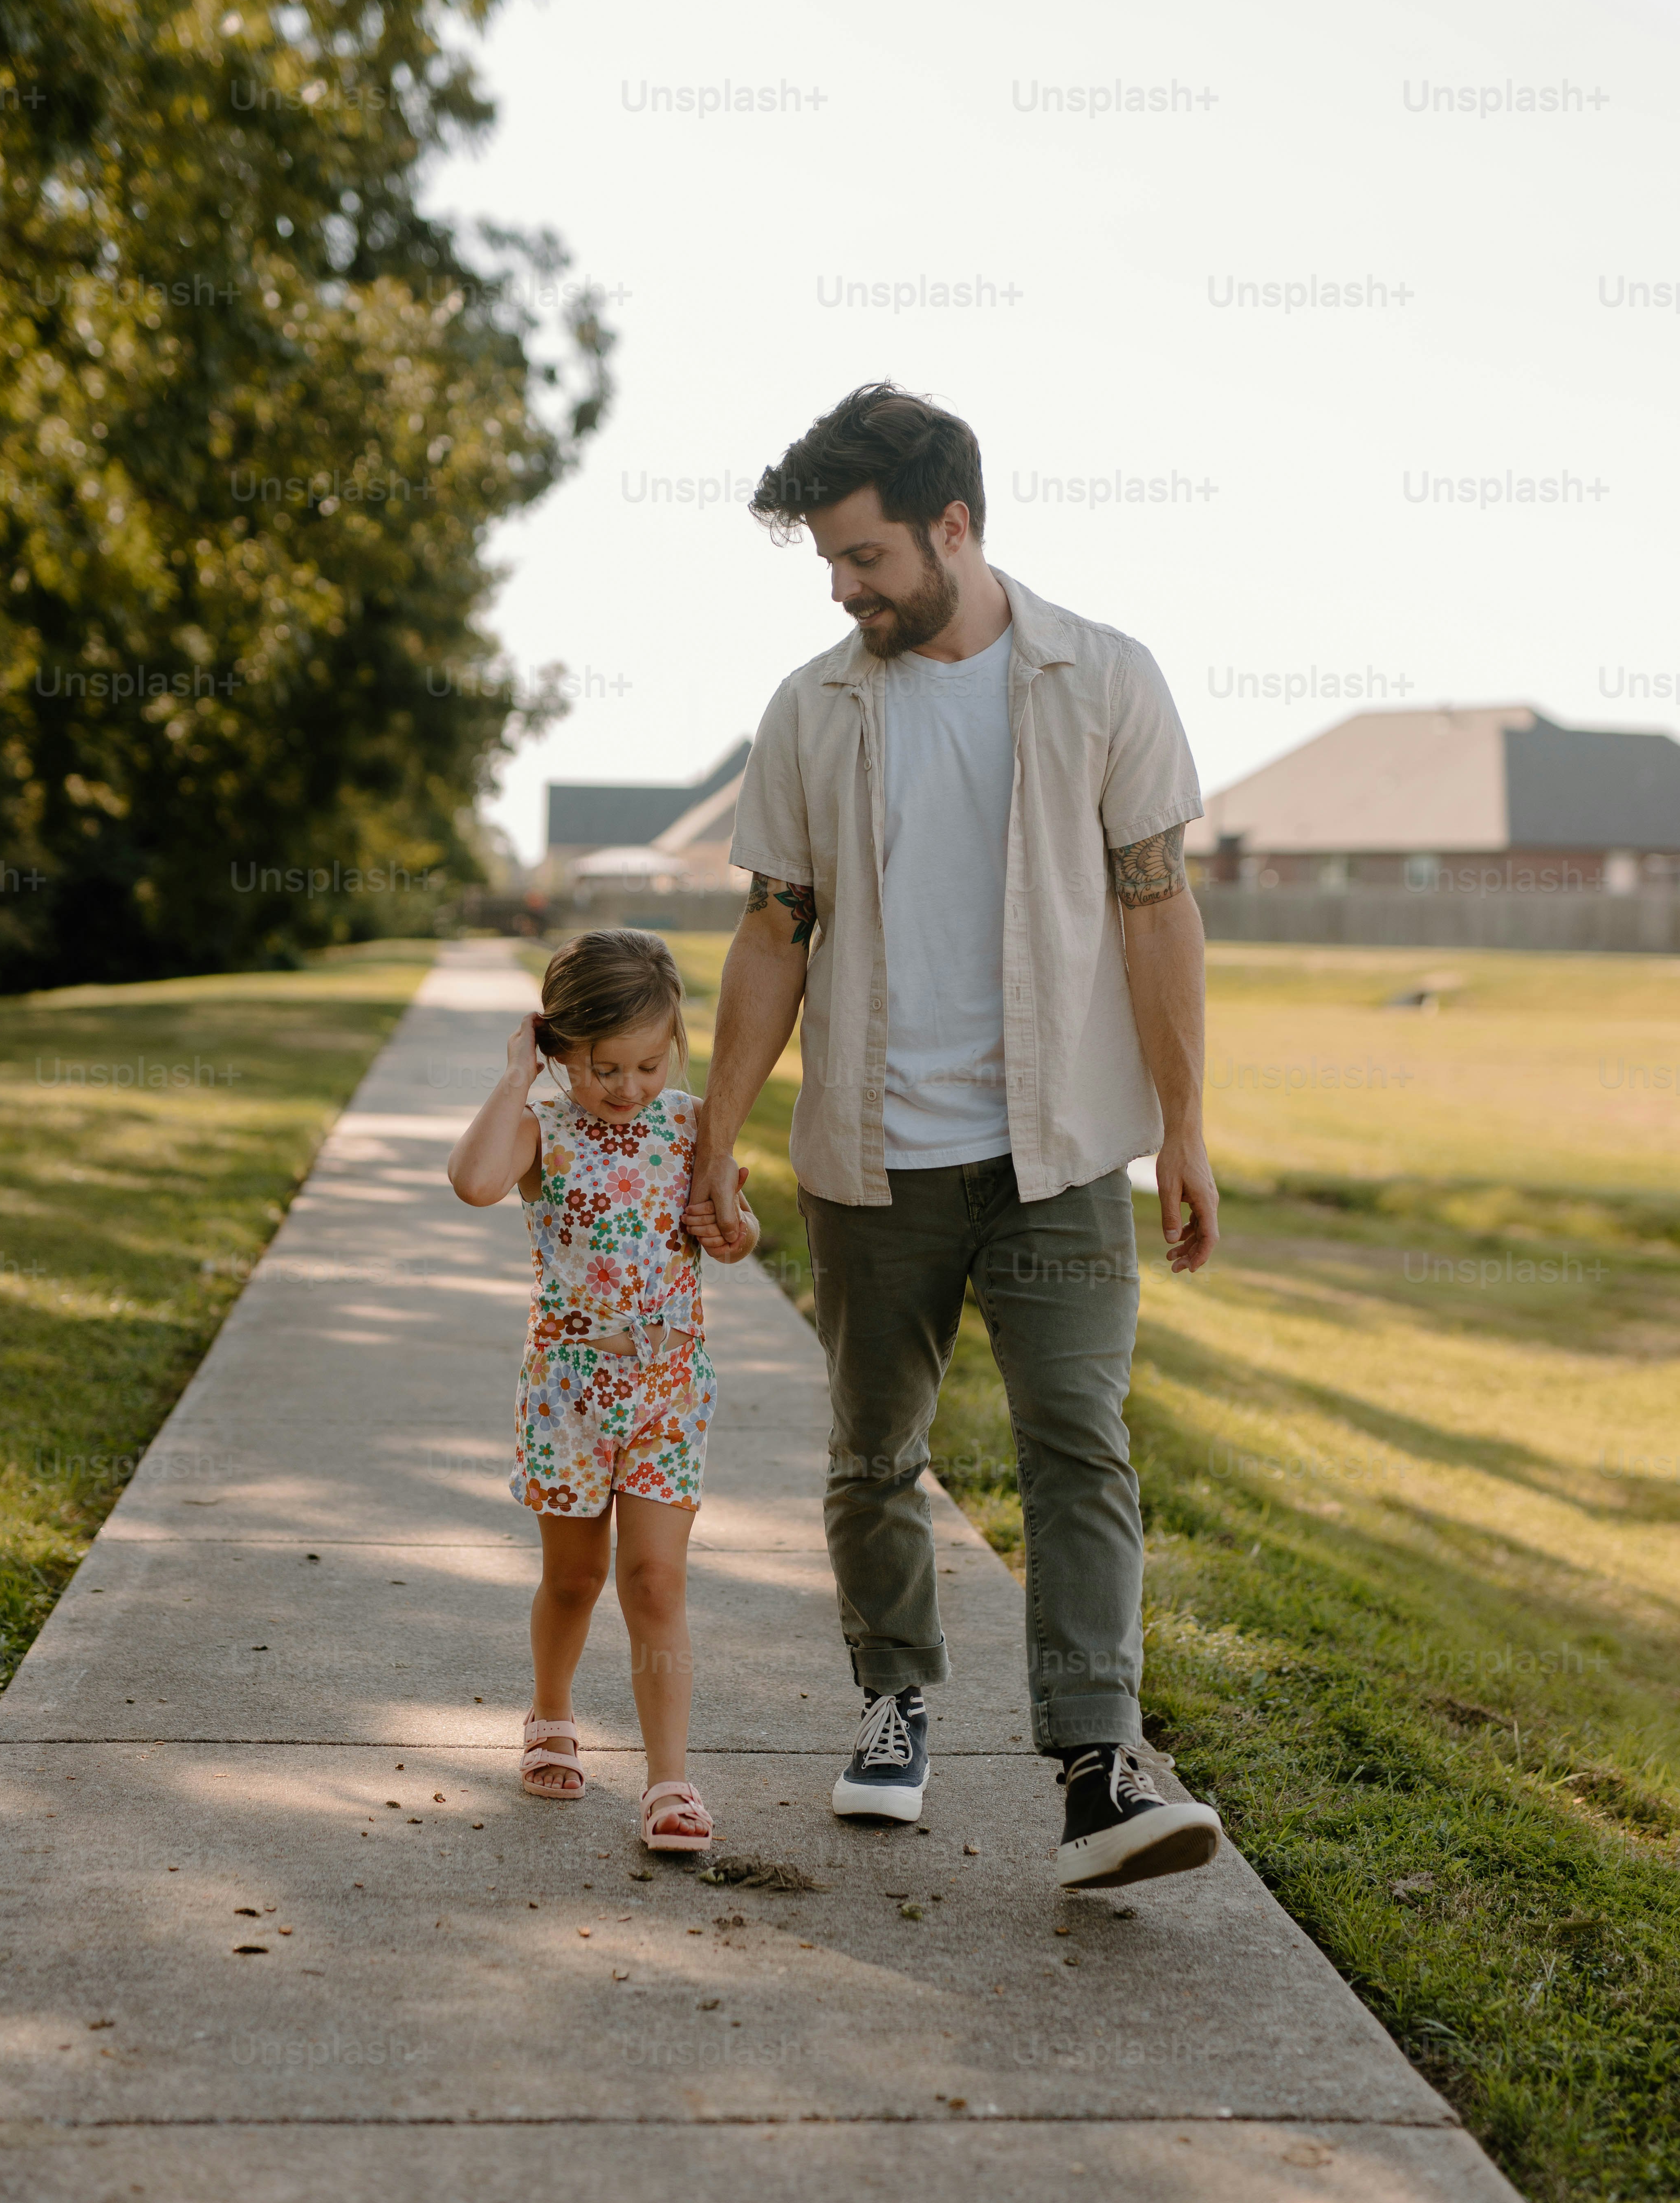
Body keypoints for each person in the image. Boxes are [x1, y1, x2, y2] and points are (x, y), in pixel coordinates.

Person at [687, 382, 1224, 1892]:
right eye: (827, 566)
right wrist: (714, 1134)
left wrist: (1182, 1127)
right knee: (874, 1456)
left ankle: (1097, 1766)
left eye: (862, 557)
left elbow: (1154, 907)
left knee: (1079, 1446)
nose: (843, 586)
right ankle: (893, 1706)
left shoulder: (1100, 677)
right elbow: (772, 926)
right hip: (874, 1154)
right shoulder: (812, 707)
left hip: (1058, 1154)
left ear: (952, 525)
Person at [448, 930, 759, 1853]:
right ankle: (550, 1714)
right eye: (602, 1067)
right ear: (557, 1048)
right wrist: (517, 1075)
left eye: (647, 1065)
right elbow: (472, 1182)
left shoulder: (694, 1123)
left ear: (676, 1052)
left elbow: (740, 1234)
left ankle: (669, 1783)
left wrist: (730, 1226)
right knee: (577, 1578)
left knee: (656, 1581)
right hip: (568, 1392)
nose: (626, 1088)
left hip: (669, 1384)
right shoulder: (543, 1130)